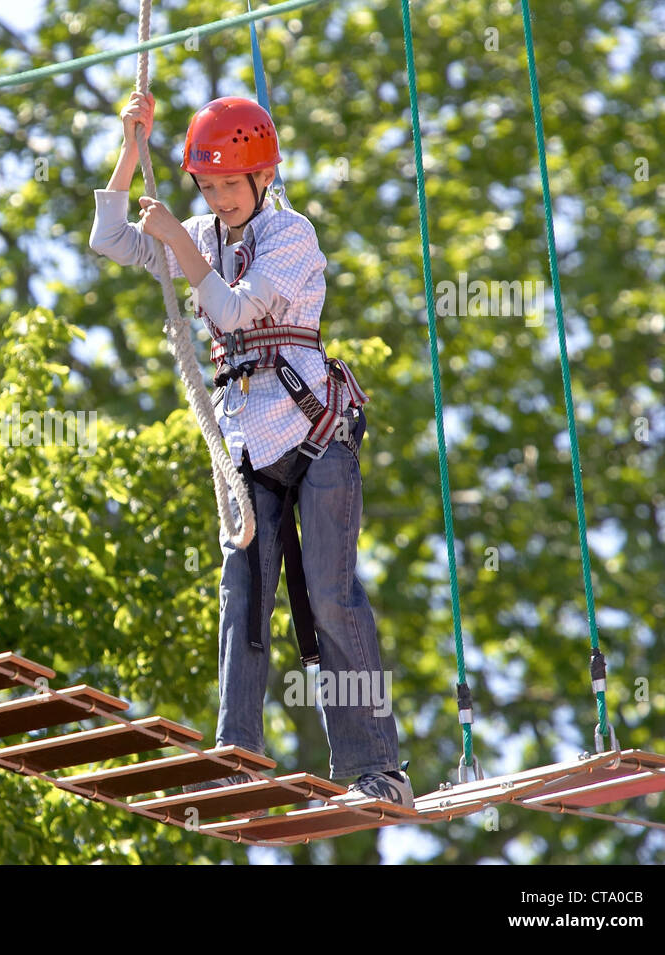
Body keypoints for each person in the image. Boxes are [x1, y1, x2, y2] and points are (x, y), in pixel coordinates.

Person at [88, 91, 412, 808]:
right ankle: (236, 754)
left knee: (330, 596)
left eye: (230, 184)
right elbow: (109, 238)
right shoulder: (202, 234)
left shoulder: (293, 234)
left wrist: (177, 239)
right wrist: (129, 148)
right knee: (242, 598)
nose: (218, 198)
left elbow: (235, 310)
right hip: (249, 446)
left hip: (316, 434)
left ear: (263, 177)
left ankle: (377, 767)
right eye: (206, 186)